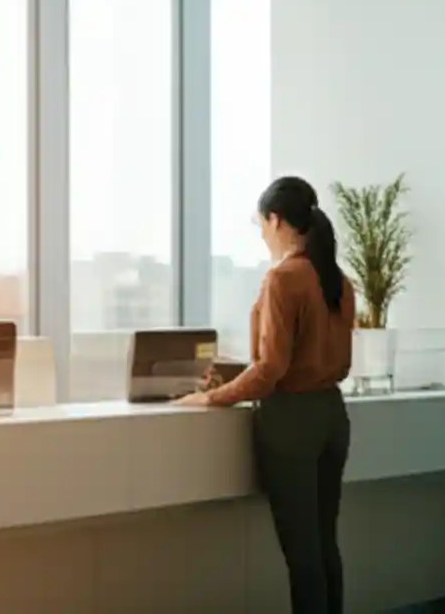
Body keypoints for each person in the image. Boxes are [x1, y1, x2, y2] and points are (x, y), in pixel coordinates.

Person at [176, 176, 355, 614]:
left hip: (291, 421)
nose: (261, 235)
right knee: (324, 545)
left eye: (260, 225)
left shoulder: (283, 278)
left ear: (276, 221)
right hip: (332, 416)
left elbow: (272, 369)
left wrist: (209, 398)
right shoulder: (338, 280)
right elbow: (309, 357)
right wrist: (235, 375)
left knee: (302, 554)